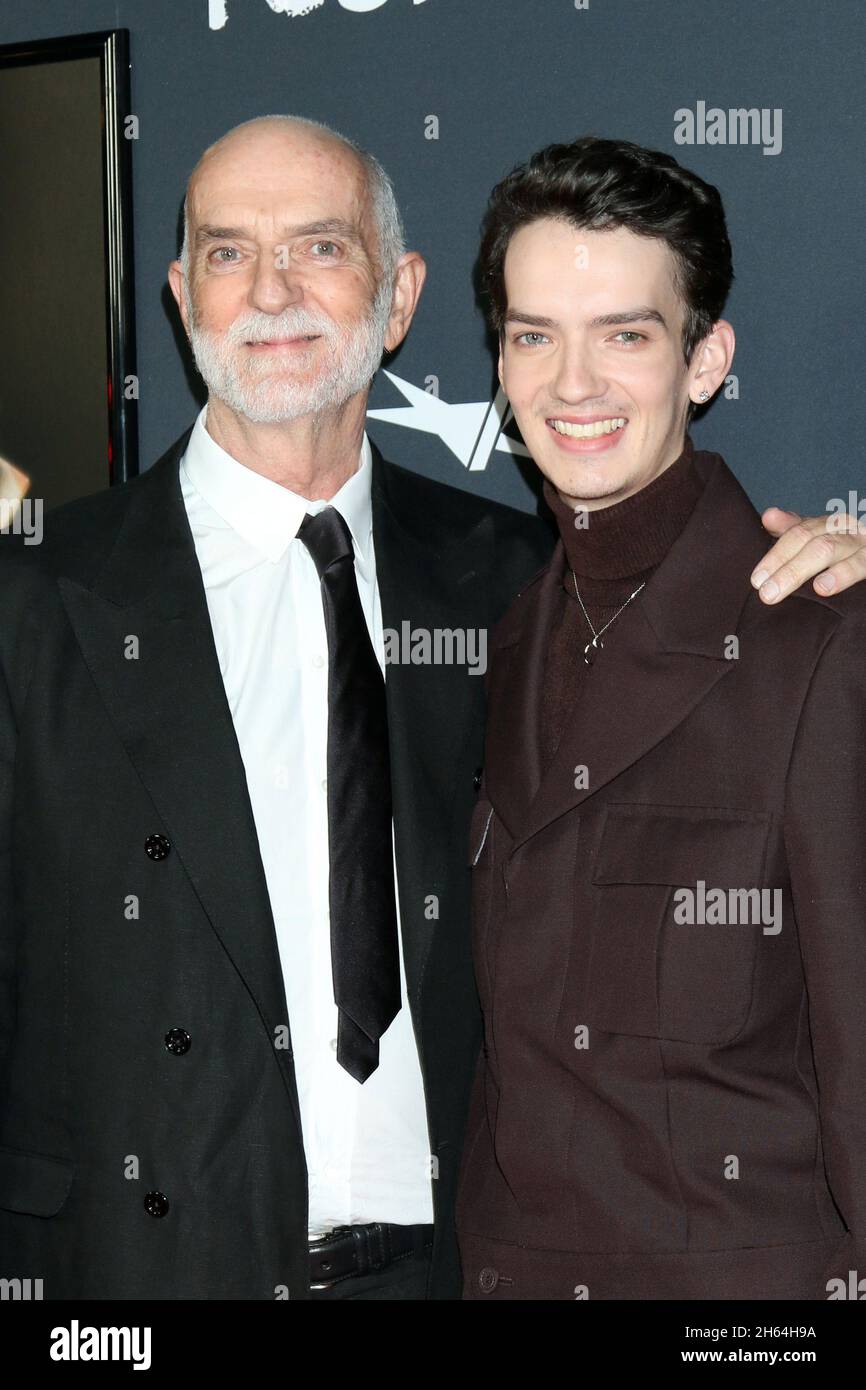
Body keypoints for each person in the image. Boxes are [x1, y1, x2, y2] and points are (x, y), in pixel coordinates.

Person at [0, 117, 861, 1302]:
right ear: (179, 293)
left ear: (397, 299)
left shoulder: (509, 578)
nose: (271, 292)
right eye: (226, 252)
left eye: (316, 246)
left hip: (451, 1272)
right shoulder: (37, 594)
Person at [455, 136, 866, 1301]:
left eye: (624, 335)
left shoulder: (819, 637)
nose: (570, 386)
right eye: (533, 336)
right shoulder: (508, 635)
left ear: (704, 359)